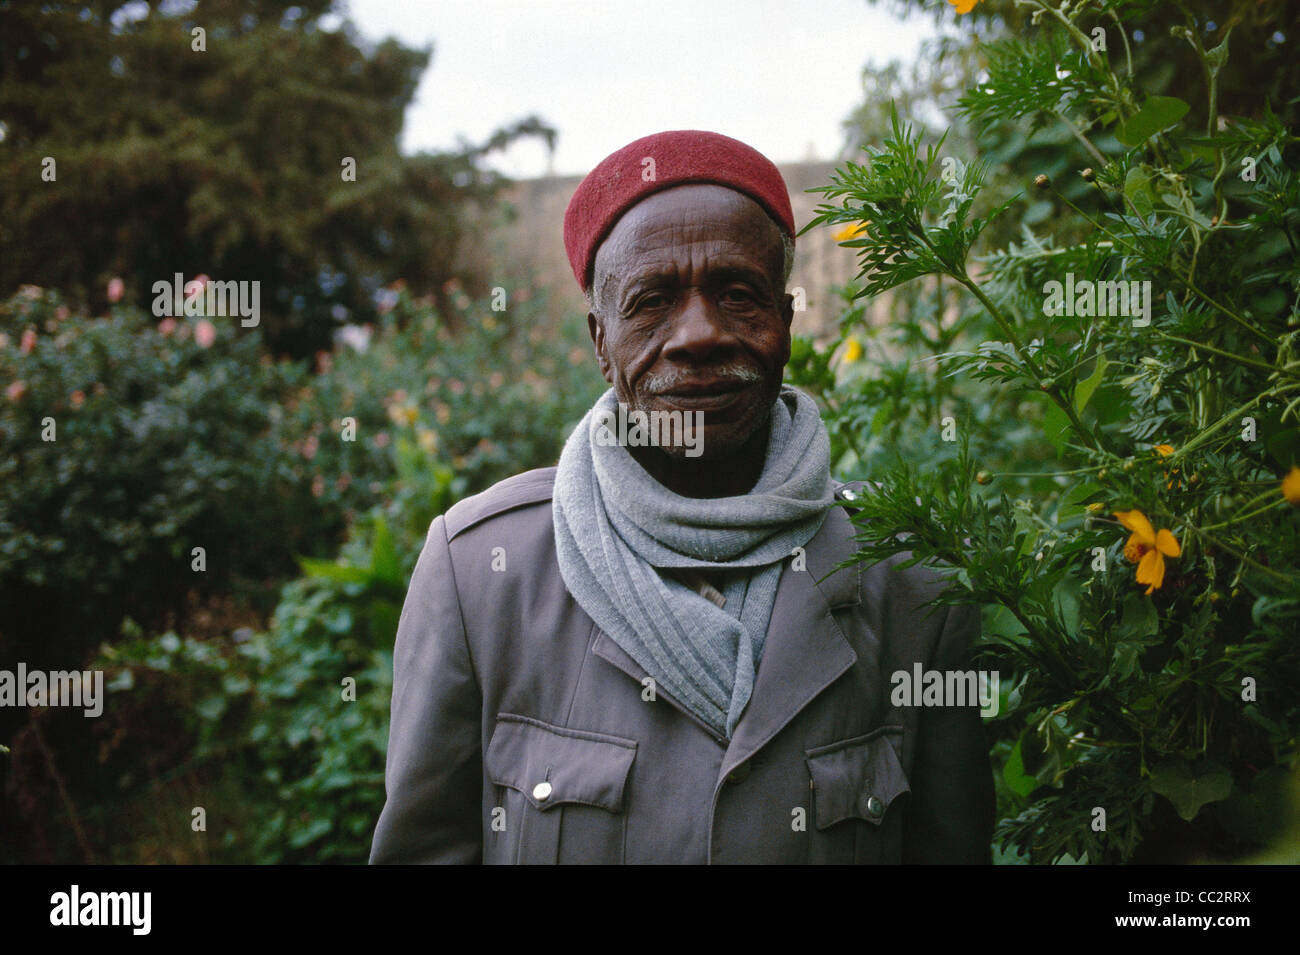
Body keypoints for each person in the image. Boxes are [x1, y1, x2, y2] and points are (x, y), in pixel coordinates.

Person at [369, 130, 993, 864]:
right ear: (601, 342)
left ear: (787, 324)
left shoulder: (910, 577)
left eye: (737, 294)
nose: (698, 334)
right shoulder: (481, 575)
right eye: (652, 302)